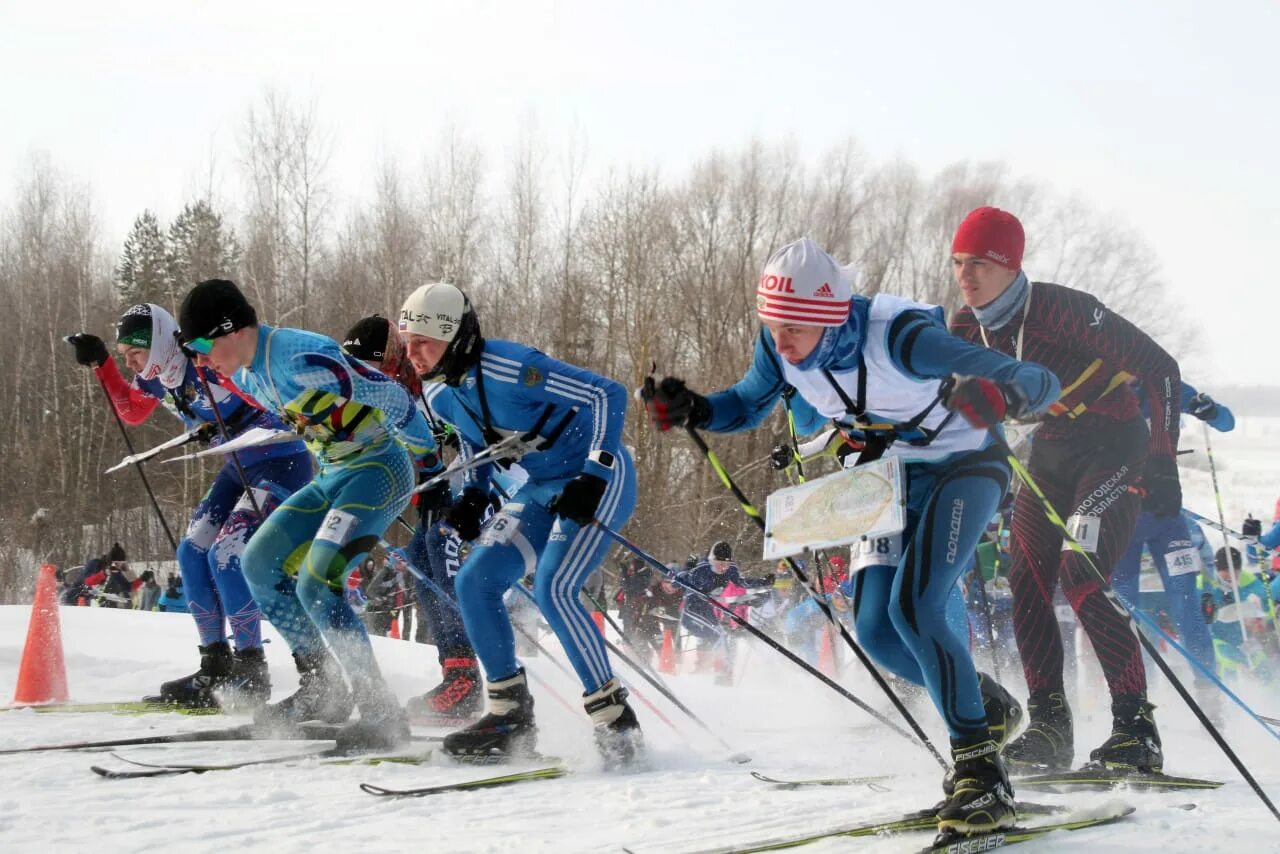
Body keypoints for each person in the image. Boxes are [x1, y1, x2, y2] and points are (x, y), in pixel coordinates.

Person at [643, 237, 1059, 834]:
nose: (780, 341)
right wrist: (696, 409)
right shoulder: (779, 345)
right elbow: (745, 404)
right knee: (877, 633)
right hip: (886, 479)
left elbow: (1040, 381)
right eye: (772, 324)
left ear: (832, 317)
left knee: (915, 608)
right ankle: (986, 705)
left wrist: (1006, 394)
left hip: (965, 466)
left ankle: (980, 772)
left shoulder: (902, 339)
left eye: (795, 328)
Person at [949, 206, 1182, 775]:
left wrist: (1163, 460)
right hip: (1051, 453)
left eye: (979, 263)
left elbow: (1163, 369)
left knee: (1082, 576)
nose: (965, 275)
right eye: (958, 262)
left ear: (1010, 266)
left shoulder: (1062, 310)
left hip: (1115, 445)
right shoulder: (962, 329)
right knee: (1026, 577)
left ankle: (1135, 730)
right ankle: (1051, 728)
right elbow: (938, 403)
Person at [178, 278, 443, 750]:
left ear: (231, 329)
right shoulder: (243, 373)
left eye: (200, 344)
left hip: (379, 471)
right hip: (332, 475)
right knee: (257, 562)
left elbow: (394, 399)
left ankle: (380, 711)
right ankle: (324, 689)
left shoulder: (301, 357)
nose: (198, 359)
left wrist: (432, 467)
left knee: (317, 583)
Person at [398, 281, 642, 764]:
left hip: (597, 480)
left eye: (422, 342)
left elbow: (606, 396)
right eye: (407, 344)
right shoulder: (442, 394)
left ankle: (616, 721)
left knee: (555, 587)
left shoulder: (512, 367)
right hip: (542, 487)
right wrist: (474, 493)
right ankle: (510, 716)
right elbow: (476, 446)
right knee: (474, 580)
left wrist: (595, 473)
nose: (413, 354)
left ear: (455, 336)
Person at [67, 304, 313, 709]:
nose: (132, 362)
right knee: (192, 551)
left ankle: (252, 669)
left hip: (279, 463)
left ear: (161, 341)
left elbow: (263, 387)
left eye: (136, 352)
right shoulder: (159, 378)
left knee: (228, 555)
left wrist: (249, 421)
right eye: (126, 354)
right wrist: (103, 364)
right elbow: (131, 411)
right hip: (238, 468)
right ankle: (215, 663)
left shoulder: (202, 360)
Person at [343, 314, 482, 720]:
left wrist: (454, 445)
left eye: (371, 371)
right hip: (451, 480)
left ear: (391, 361)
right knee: (418, 557)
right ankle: (454, 673)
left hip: (494, 476)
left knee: (440, 541)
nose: (365, 382)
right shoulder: (391, 395)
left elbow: (475, 433)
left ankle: (467, 676)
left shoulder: (434, 382)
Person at [1111, 385, 1234, 706]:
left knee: (1187, 607)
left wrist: (1211, 411)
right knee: (1124, 612)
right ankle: (1133, 699)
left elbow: (1227, 422)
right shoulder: (1100, 386)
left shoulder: (1167, 384)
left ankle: (1210, 697)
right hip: (1123, 520)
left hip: (1168, 519)